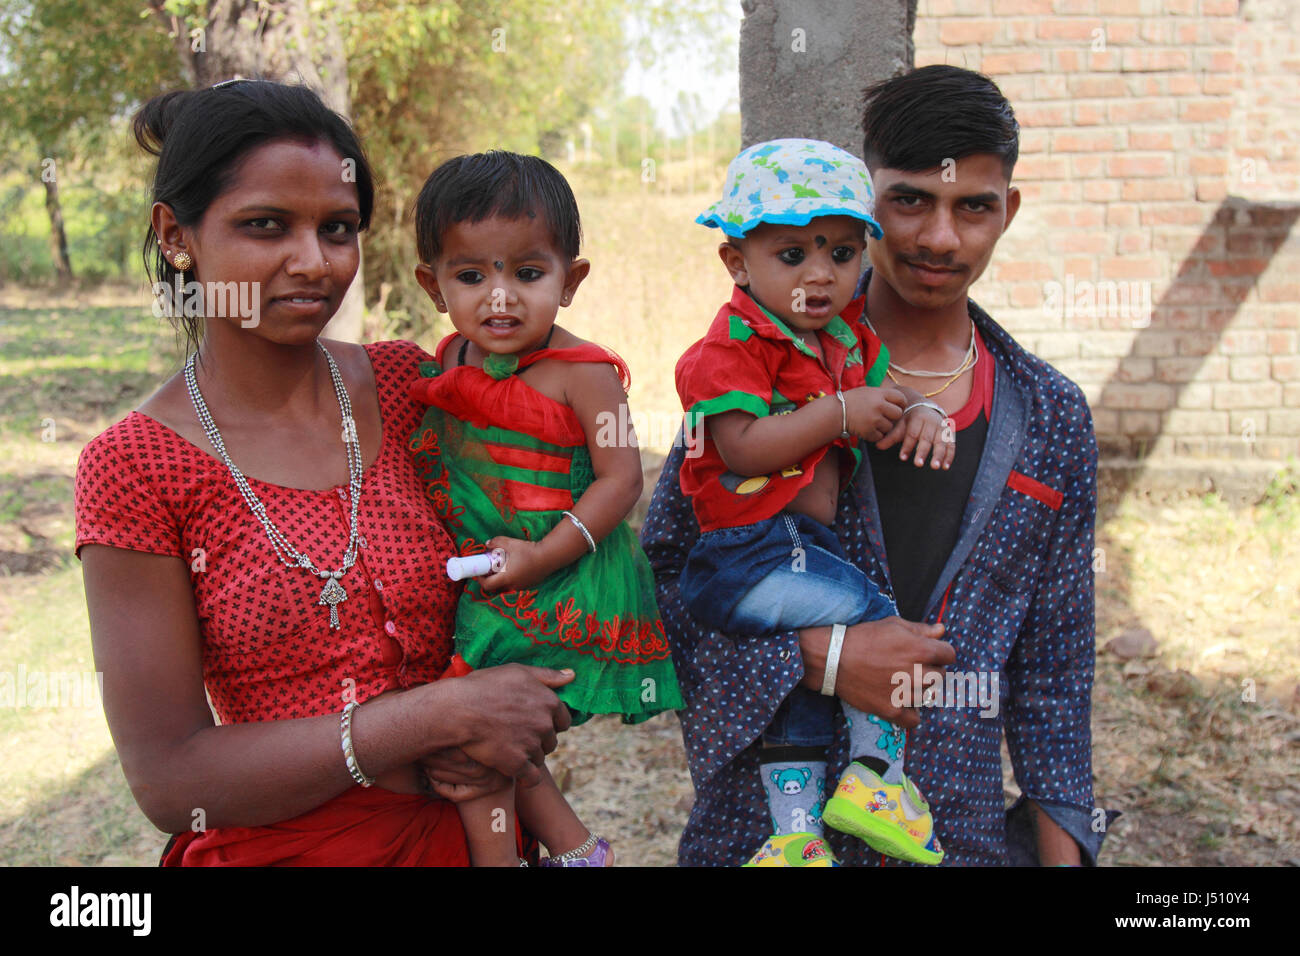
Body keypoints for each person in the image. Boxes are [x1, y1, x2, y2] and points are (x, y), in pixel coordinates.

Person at [74, 80, 574, 866]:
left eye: (338, 229)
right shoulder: (136, 466)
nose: (312, 262)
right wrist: (430, 720)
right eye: (265, 224)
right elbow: (170, 780)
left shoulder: (417, 390)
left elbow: (541, 573)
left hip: (479, 835)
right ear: (175, 235)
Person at [642, 65, 1110, 866]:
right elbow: (672, 577)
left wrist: (1068, 855)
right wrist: (822, 658)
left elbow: (1055, 674)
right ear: (866, 206)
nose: (939, 237)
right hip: (764, 836)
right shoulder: (755, 379)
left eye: (973, 207)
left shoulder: (1050, 416)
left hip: (953, 836)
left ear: (1009, 212)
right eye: (910, 201)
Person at [676, 138, 955, 867]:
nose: (820, 274)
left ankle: (793, 837)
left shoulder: (843, 340)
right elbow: (740, 446)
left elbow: (884, 398)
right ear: (738, 264)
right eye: (792, 256)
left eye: (839, 250)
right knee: (881, 624)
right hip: (747, 552)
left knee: (796, 694)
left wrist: (921, 413)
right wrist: (840, 414)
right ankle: (875, 780)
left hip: (793, 549)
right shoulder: (729, 350)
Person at [406, 151, 683, 866]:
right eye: (472, 276)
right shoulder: (450, 364)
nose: (500, 298)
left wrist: (542, 555)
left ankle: (553, 851)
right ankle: (575, 848)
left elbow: (622, 483)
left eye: (527, 274)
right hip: (495, 580)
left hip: (568, 576)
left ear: (571, 279)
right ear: (433, 286)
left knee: (469, 729)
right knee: (488, 729)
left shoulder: (586, 375)